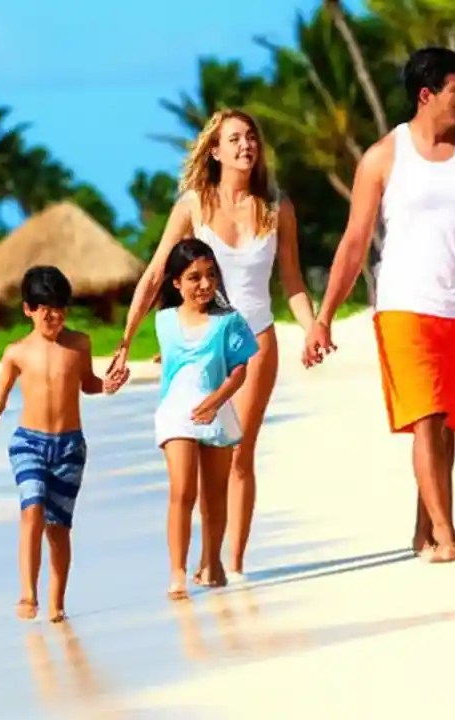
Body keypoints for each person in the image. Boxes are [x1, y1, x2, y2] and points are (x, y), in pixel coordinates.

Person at [303, 47, 455, 563]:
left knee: (444, 425)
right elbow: (355, 242)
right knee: (426, 416)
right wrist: (324, 316)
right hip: (402, 303)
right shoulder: (383, 156)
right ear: (427, 95)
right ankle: (445, 534)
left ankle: (424, 528)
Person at [107, 108, 316, 585]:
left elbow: (293, 282)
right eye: (236, 139)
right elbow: (157, 272)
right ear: (216, 151)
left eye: (252, 138)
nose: (247, 145)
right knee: (197, 452)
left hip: (256, 338)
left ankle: (230, 563)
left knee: (239, 452)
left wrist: (311, 329)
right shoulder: (193, 206)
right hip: (198, 344)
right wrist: (126, 339)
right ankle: (202, 560)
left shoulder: (276, 206)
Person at [0, 266, 127, 622]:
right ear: (28, 310)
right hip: (28, 444)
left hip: (69, 448)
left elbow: (88, 384)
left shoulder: (79, 344)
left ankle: (56, 602)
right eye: (46, 308)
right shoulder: (16, 352)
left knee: (59, 529)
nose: (55, 316)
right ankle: (27, 593)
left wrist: (106, 385)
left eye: (60, 307)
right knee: (31, 509)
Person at [153, 239, 258, 601]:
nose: (204, 284)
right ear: (176, 283)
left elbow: (240, 370)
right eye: (194, 277)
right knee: (183, 490)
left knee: (214, 497)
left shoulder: (230, 321)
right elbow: (175, 359)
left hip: (217, 414)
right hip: (175, 416)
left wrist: (215, 401)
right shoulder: (164, 321)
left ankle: (212, 562)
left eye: (211, 275)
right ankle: (178, 571)